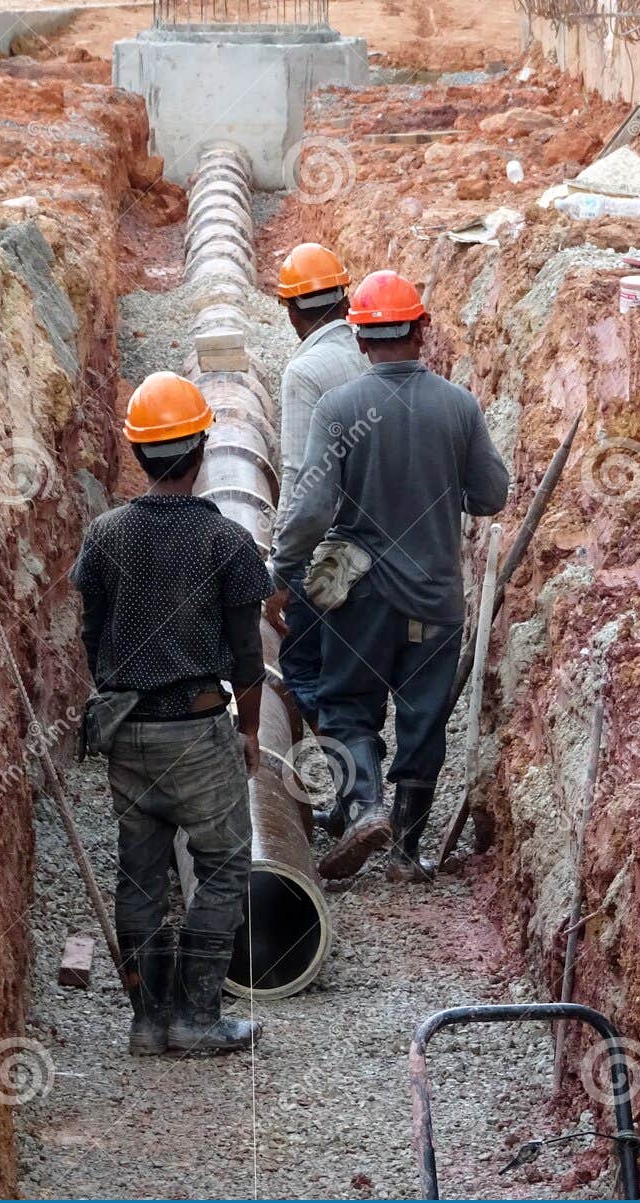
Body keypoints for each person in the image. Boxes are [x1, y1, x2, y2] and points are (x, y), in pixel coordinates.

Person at [272, 270, 510, 884]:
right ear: (422, 329)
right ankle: (406, 852)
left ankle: (366, 805)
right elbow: (491, 495)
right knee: (424, 716)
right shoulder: (458, 406)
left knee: (348, 706)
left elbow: (312, 506)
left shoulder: (339, 407)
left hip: (362, 598)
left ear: (358, 339)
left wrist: (283, 569)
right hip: (435, 598)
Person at [72, 371, 271, 1057]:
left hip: (128, 733)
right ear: (201, 452)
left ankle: (147, 1021)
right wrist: (248, 732)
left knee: (141, 872)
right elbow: (248, 658)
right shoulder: (226, 544)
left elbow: (92, 639)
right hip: (197, 728)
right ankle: (195, 1015)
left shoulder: (104, 536)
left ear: (137, 453)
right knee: (221, 865)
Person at [262, 244, 369, 838]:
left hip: (330, 556)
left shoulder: (305, 372)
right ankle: (380, 807)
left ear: (292, 311)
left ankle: (352, 797)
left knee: (307, 669)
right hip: (390, 550)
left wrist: (281, 572)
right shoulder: (373, 345)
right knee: (359, 674)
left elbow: (305, 483)